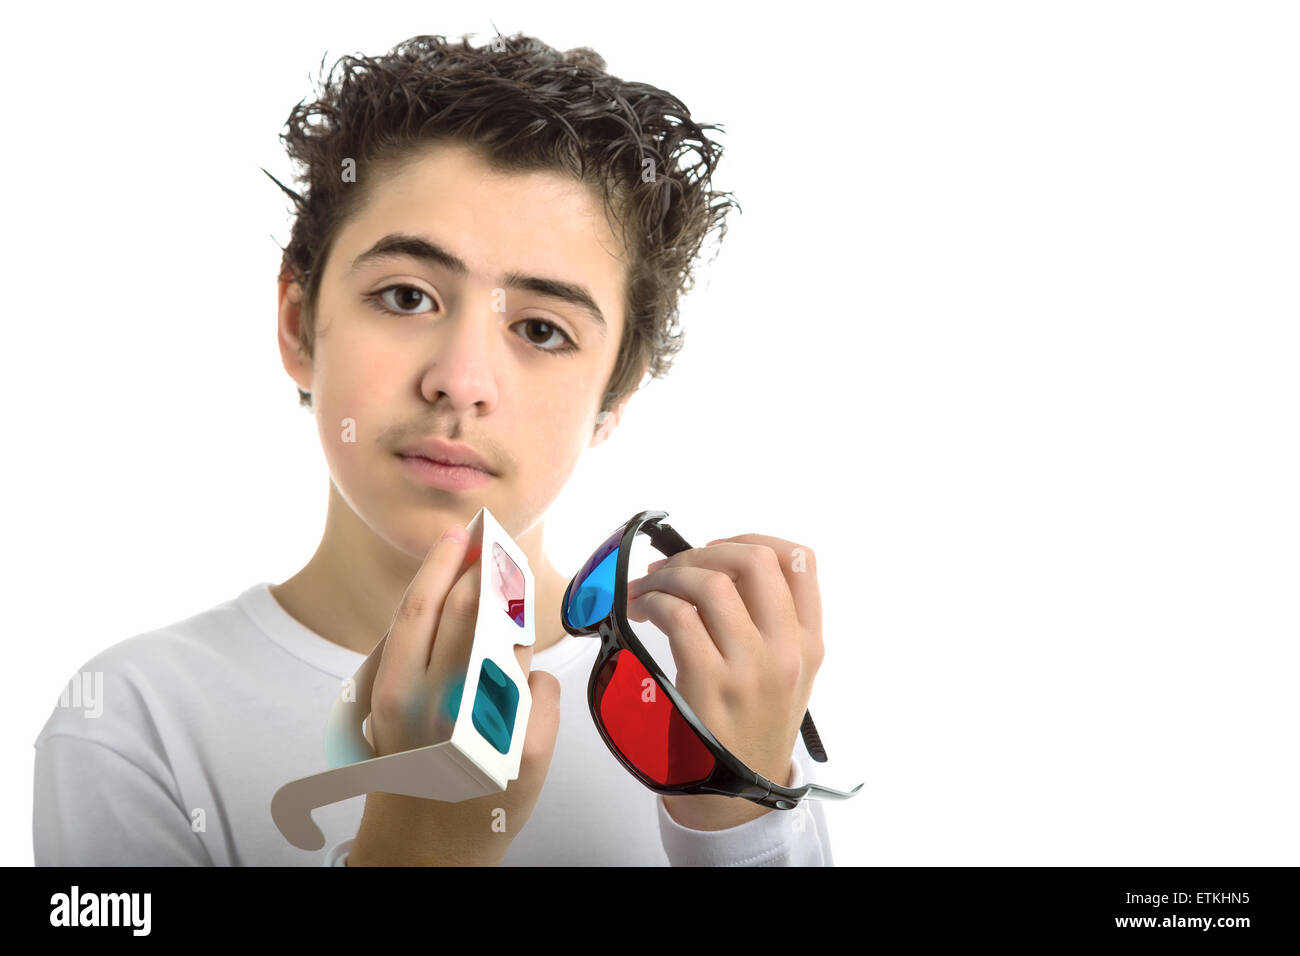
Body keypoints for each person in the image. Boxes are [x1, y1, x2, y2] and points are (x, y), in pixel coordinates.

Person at [33, 32, 836, 866]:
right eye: (408, 295)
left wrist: (747, 816)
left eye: (541, 329)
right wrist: (416, 847)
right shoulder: (134, 720)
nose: (461, 381)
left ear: (616, 395)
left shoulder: (713, 695)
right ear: (299, 323)